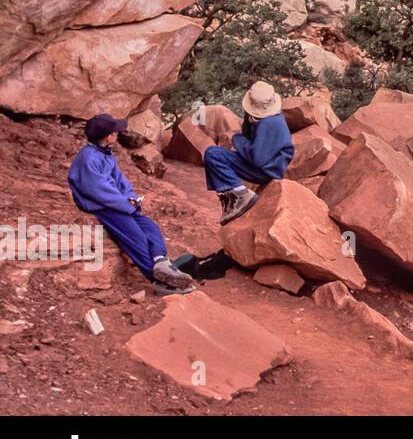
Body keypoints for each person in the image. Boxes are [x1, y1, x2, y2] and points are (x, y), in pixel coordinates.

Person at [68, 114, 196, 294]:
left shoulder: (105, 154)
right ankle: (159, 281)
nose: (117, 134)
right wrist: (126, 205)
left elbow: (121, 181)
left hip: (118, 204)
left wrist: (131, 198)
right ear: (108, 136)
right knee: (136, 237)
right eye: (115, 132)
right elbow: (99, 192)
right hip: (102, 207)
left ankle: (161, 262)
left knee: (150, 227)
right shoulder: (88, 158)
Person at [202, 80, 294, 225]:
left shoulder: (271, 123)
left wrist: (237, 140)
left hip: (267, 170)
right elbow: (248, 134)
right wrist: (250, 120)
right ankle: (230, 196)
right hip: (261, 165)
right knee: (213, 153)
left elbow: (258, 158)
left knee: (213, 154)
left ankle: (240, 194)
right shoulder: (260, 118)